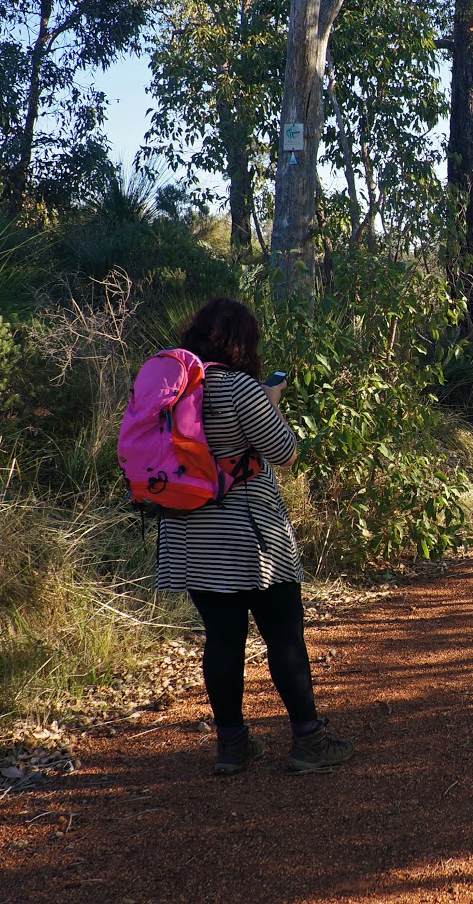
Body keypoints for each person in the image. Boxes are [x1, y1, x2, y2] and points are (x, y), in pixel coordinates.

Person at [157, 297, 353, 775]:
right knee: (284, 634)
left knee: (222, 639)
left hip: (190, 533)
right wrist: (271, 403)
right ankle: (309, 741)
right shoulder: (239, 388)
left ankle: (232, 747)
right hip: (250, 535)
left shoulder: (173, 389)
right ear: (242, 343)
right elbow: (285, 451)